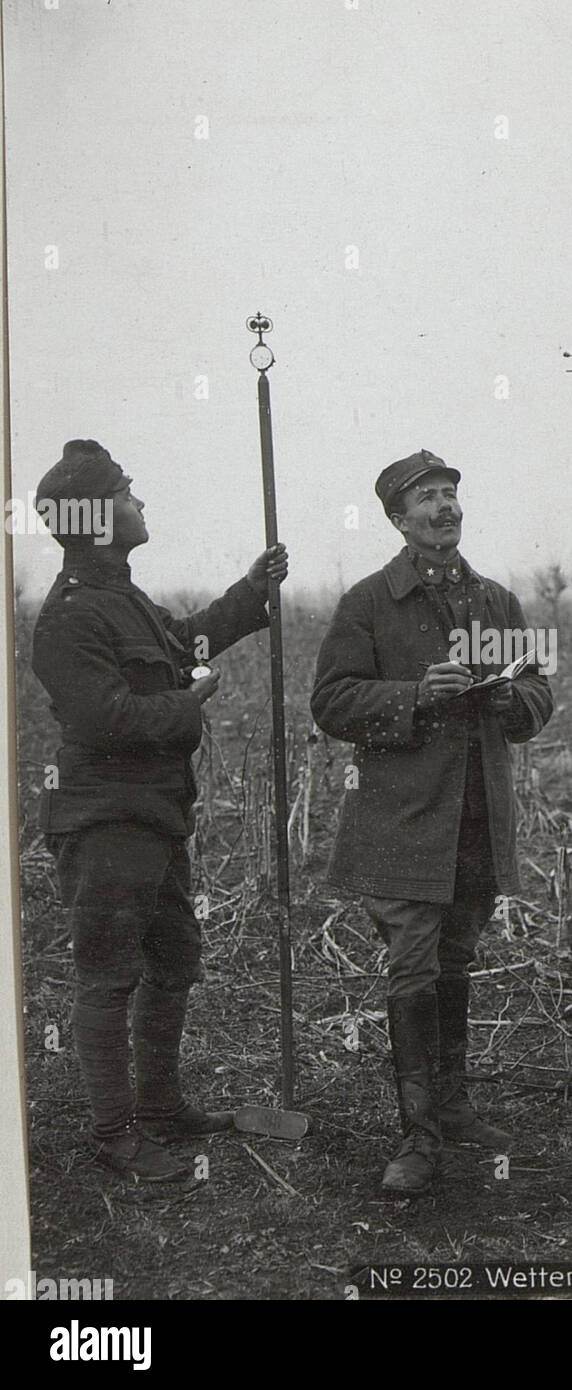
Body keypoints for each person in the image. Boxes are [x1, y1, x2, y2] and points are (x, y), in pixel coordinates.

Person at [31, 439, 288, 1183]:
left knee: (173, 959)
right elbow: (109, 717)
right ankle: (115, 1136)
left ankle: (161, 1108)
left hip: (154, 816)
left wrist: (249, 590)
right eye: (126, 492)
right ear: (94, 517)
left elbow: (185, 642)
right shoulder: (69, 620)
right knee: (108, 974)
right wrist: (189, 703)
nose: (140, 502)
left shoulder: (124, 600)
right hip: (105, 822)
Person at [311, 449, 553, 1196]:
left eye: (451, 494)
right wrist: (415, 696)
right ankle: (418, 1139)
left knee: (456, 960)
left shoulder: (497, 603)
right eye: (427, 498)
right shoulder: (369, 604)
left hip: (477, 820)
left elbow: (538, 693)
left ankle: (452, 1105)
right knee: (412, 967)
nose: (445, 507)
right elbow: (331, 702)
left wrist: (515, 702)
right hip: (403, 824)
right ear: (397, 518)